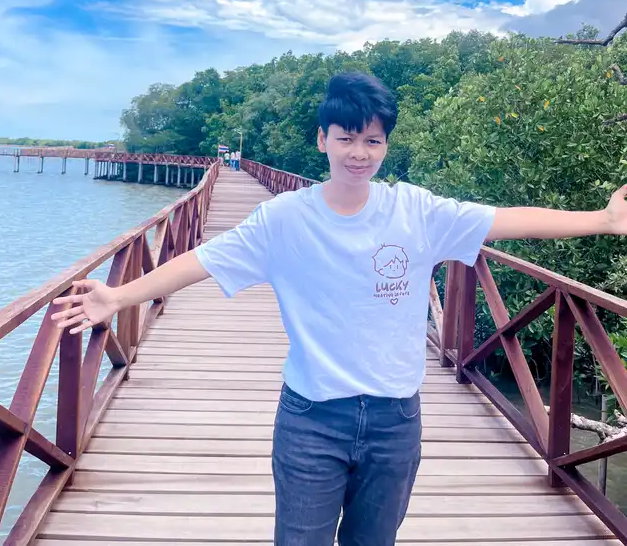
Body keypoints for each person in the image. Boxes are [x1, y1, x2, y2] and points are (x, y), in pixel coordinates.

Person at [51, 71, 627, 546]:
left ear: (386, 146)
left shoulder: (417, 213)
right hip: (311, 419)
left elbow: (508, 220)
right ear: (322, 139)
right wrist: (118, 296)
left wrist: (601, 221)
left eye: (373, 141)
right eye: (347, 138)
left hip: (395, 420)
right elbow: (203, 259)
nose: (359, 153)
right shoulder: (284, 219)